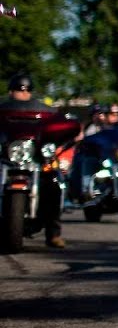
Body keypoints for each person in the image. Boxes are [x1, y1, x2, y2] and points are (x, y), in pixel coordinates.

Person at [2, 74, 65, 247]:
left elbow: (59, 123)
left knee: (53, 184)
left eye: (27, 90)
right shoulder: (2, 110)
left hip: (35, 159)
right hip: (6, 159)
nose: (23, 93)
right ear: (10, 92)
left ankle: (53, 234)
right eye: (19, 89)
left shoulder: (45, 112)